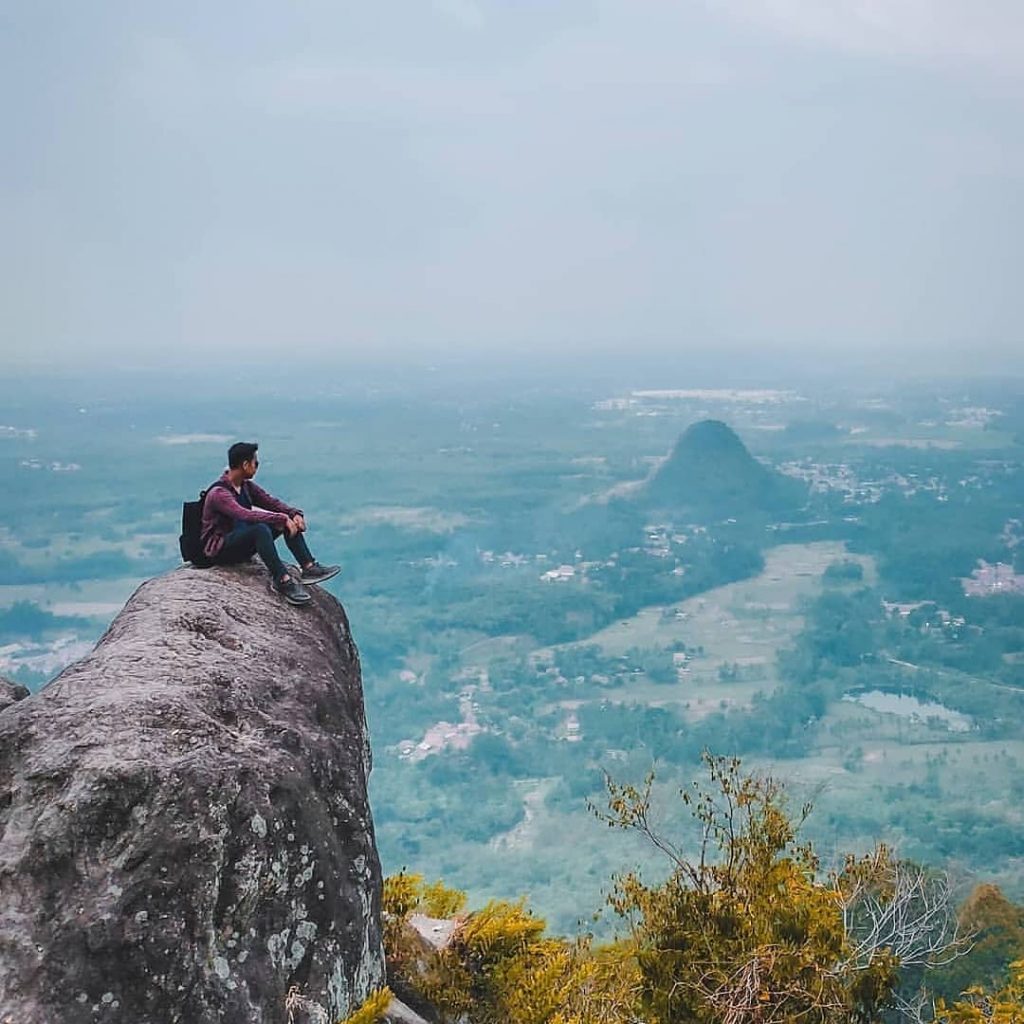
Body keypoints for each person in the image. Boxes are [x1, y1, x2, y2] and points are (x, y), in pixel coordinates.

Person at [200, 442, 340, 606]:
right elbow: (244, 514)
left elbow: (271, 502)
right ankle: (283, 580)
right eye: (255, 463)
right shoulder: (219, 494)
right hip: (220, 550)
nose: (257, 467)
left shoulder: (245, 486)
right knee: (262, 529)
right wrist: (281, 518)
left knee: (283, 522)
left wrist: (293, 514)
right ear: (245, 465)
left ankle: (308, 567)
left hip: (239, 542)